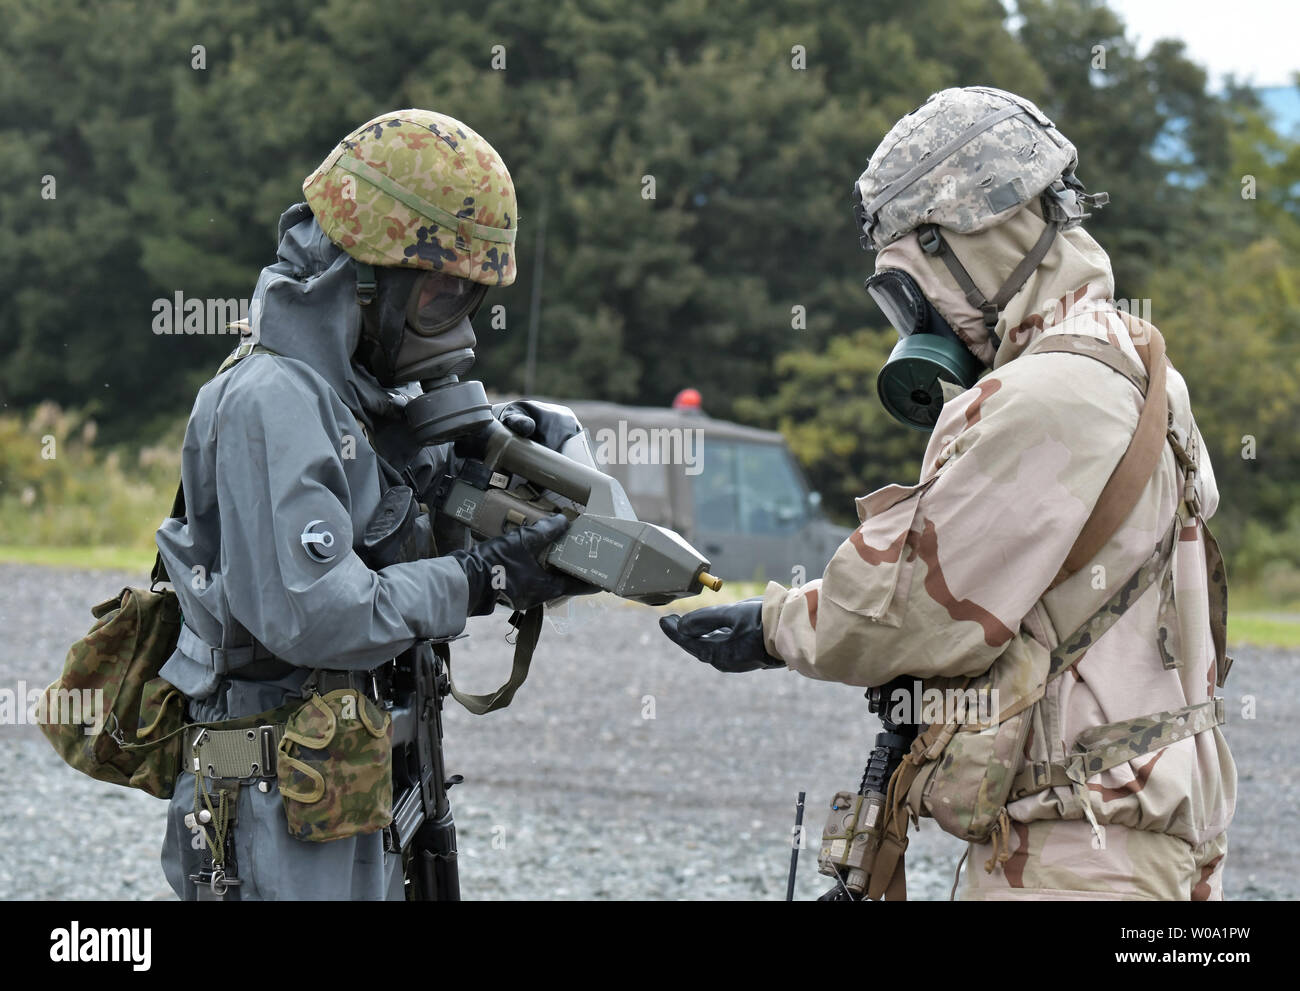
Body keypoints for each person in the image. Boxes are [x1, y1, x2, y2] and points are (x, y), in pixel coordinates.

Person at [661, 87, 1235, 900]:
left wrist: (768, 626)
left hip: (1077, 850)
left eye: (910, 289)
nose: (919, 323)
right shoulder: (1144, 368)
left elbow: (899, 607)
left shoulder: (1046, 395)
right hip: (1151, 839)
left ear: (971, 239)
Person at [155, 109, 592, 900]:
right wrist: (481, 580)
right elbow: (315, 612)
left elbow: (401, 536)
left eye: (466, 299)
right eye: (437, 296)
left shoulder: (361, 399)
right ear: (362, 277)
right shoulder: (270, 400)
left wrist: (519, 485)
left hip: (351, 787)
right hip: (276, 808)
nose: (450, 324)